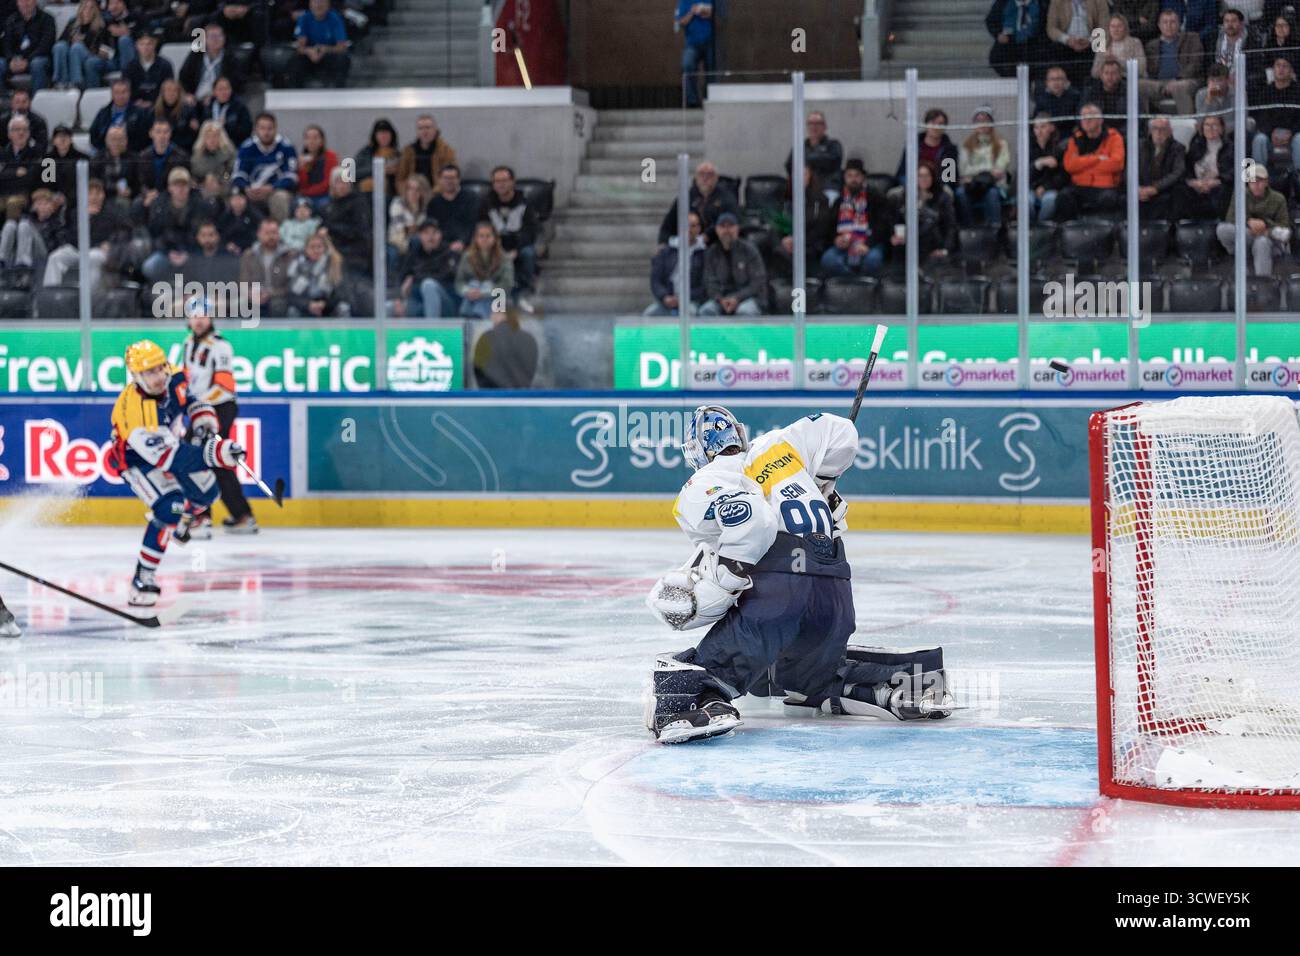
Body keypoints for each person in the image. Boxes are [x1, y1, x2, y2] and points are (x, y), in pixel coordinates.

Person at [644, 405, 953, 744]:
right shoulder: (780, 446)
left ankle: (694, 704)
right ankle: (914, 680)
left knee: (686, 679)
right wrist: (823, 481)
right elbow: (843, 435)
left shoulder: (705, 481)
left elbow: (752, 524)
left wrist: (724, 584)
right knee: (807, 677)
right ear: (740, 435)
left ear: (698, 452)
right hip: (833, 588)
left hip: (781, 590)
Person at [109, 339, 245, 605]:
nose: (159, 376)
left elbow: (190, 399)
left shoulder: (173, 375)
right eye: (149, 372)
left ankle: (182, 519)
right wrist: (216, 454)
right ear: (136, 376)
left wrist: (203, 418)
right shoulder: (137, 415)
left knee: (208, 492)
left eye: (160, 368)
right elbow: (172, 459)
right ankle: (143, 578)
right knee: (169, 506)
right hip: (137, 462)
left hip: (169, 447)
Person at [182, 298, 257, 535]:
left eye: (203, 316)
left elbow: (224, 386)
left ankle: (203, 517)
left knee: (200, 459)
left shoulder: (220, 346)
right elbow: (188, 379)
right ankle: (241, 515)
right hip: (202, 411)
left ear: (211, 317)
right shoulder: (187, 343)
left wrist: (199, 405)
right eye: (194, 316)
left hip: (219, 409)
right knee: (213, 461)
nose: (198, 320)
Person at [1217, 165, 1292, 275]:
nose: (1256, 185)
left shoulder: (1278, 198)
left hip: (1270, 241)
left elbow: (1284, 227)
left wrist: (1264, 224)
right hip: (1246, 237)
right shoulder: (1240, 195)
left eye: (1259, 181)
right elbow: (1230, 218)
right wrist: (1249, 222)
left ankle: (1263, 285)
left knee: (1261, 242)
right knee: (1222, 229)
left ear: (1266, 182)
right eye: (1252, 181)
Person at [1055, 102, 1125, 220]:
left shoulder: (1114, 137)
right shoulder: (1075, 139)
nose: (1087, 121)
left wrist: (1082, 163)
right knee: (1064, 196)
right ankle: (1070, 233)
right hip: (1080, 186)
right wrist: (1097, 158)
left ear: (1100, 120)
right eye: (1084, 117)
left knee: (1108, 199)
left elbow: (1116, 164)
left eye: (1091, 117)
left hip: (1105, 186)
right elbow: (1070, 166)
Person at [820, 158, 885, 278]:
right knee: (828, 260)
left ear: (863, 178)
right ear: (844, 178)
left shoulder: (875, 198)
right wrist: (836, 239)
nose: (853, 179)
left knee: (873, 260)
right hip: (844, 245)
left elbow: (882, 227)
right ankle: (853, 281)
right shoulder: (839, 201)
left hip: (869, 243)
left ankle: (858, 285)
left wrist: (867, 244)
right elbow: (829, 228)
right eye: (849, 176)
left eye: (857, 176)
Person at [231, 112, 298, 222]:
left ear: (275, 128)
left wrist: (272, 187)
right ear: (256, 129)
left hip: (275, 190)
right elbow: (238, 174)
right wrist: (246, 187)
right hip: (251, 190)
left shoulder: (286, 147)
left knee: (280, 198)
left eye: (269, 128)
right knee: (236, 199)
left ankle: (280, 233)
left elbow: (291, 177)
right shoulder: (247, 147)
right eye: (262, 128)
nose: (266, 132)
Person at [700, 212, 766, 315]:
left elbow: (757, 281)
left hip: (748, 298)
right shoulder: (711, 252)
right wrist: (720, 299)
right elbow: (709, 281)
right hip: (721, 299)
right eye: (722, 226)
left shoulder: (749, 250)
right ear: (717, 230)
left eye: (730, 226)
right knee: (706, 310)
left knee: (745, 311)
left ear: (737, 228)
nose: (727, 230)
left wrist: (737, 298)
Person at [956, 105, 1011, 226]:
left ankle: (994, 229)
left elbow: (1000, 169)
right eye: (978, 121)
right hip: (972, 186)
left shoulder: (1002, 144)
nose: (982, 124)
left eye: (985, 120)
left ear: (991, 123)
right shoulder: (966, 145)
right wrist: (986, 170)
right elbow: (963, 170)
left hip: (994, 185)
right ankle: (968, 230)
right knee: (960, 193)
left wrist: (975, 172)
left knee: (992, 194)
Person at [646, 209, 707, 315]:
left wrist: (683, 298)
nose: (689, 229)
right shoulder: (666, 252)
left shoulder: (704, 253)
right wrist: (664, 296)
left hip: (691, 301)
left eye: (693, 226)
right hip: (667, 299)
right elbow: (655, 280)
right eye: (686, 225)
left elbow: (705, 285)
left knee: (690, 313)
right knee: (649, 314)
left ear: (699, 228)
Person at [397, 217, 459, 318]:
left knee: (428, 285)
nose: (431, 237)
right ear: (420, 236)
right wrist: (398, 298)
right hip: (418, 299)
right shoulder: (414, 253)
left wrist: (414, 278)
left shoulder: (448, 252)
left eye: (434, 232)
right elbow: (401, 277)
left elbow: (446, 277)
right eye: (426, 233)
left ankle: (431, 329)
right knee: (389, 307)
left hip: (445, 303)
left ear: (440, 235)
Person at [456, 220, 513, 318]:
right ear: (476, 238)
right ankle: (474, 318)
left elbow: (506, 285)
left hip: (496, 298)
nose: (484, 239)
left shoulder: (504, 258)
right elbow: (459, 282)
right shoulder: (467, 257)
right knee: (474, 284)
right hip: (471, 296)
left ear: (494, 238)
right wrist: (467, 291)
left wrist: (484, 293)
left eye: (488, 236)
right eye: (481, 236)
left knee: (486, 285)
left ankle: (478, 319)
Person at [472, 307, 539, 389]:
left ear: (503, 315)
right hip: (521, 394)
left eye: (494, 313)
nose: (491, 317)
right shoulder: (529, 338)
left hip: (492, 394)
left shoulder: (486, 337)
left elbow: (478, 368)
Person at [292, 0, 351, 87]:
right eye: (315, 2)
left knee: (342, 60)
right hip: (309, 55)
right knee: (295, 61)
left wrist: (325, 49)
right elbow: (300, 46)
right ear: (310, 4)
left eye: (322, 2)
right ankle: (295, 91)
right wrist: (310, 51)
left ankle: (338, 90)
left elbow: (342, 46)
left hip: (329, 54)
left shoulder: (335, 19)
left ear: (328, 4)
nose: (318, 5)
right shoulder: (304, 18)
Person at [676, 0, 714, 108]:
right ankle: (692, 101)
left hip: (711, 42)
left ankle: (711, 99)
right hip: (692, 43)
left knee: (712, 71)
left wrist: (703, 11)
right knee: (687, 66)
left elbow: (715, 15)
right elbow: (681, 21)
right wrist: (692, 12)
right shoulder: (684, 2)